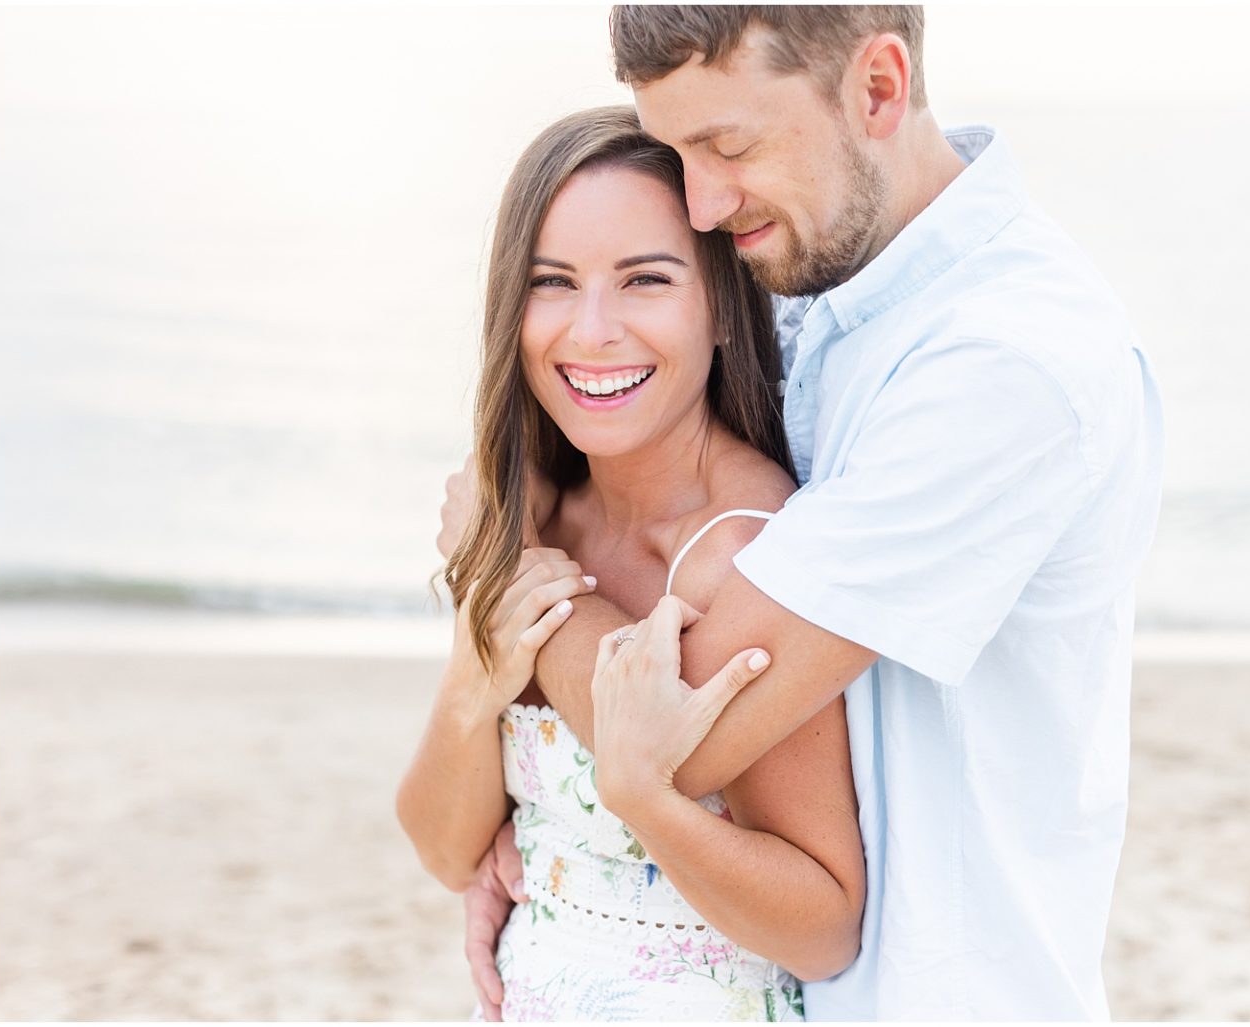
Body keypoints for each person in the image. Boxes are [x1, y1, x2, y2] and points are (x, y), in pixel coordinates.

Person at [443, 5, 1165, 1020]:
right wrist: (554, 856)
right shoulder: (807, 267)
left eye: (727, 146)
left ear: (878, 88)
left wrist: (512, 567)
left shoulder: (1008, 362)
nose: (700, 205)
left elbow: (682, 728)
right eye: (676, 155)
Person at [399, 105, 866, 1021]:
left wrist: (652, 806)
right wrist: (471, 679)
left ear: (723, 307)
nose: (592, 330)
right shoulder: (537, 521)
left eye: (645, 279)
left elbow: (824, 927)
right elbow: (446, 851)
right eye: (553, 282)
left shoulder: (742, 550)